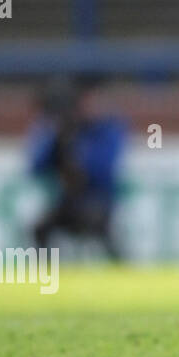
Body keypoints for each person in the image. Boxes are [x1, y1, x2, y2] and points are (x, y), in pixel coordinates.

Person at [28, 77, 126, 260]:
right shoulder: (65, 129)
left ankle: (120, 270)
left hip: (98, 200)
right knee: (39, 228)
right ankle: (48, 274)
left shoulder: (107, 128)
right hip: (68, 201)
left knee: (97, 225)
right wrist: (54, 134)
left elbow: (102, 168)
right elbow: (36, 167)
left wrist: (77, 155)